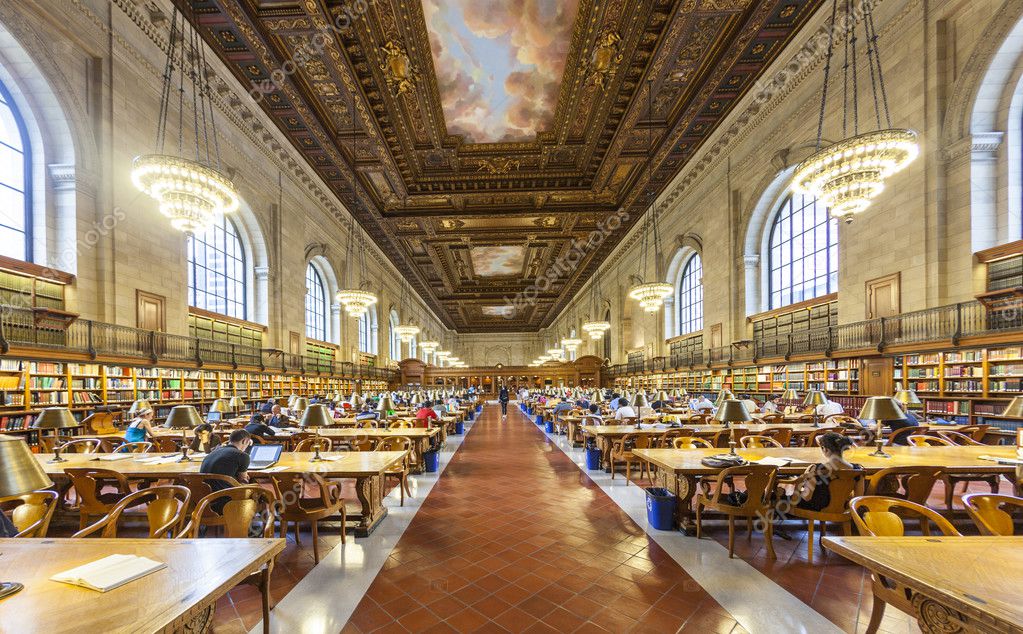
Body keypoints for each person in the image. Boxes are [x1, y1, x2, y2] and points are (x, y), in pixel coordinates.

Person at [790, 432, 861, 511]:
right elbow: (858, 497)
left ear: (825, 449)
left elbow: (806, 497)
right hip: (843, 509)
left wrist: (798, 485)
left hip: (817, 510)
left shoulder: (816, 469)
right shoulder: (858, 470)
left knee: (782, 495)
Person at [199, 430, 253, 513]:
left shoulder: (213, 452)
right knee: (258, 490)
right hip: (225, 500)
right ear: (244, 441)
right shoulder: (242, 455)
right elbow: (244, 480)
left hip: (204, 500)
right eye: (248, 443)